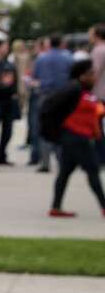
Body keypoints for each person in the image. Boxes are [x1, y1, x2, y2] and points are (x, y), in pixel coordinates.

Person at [48, 60, 105, 218]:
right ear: (82, 75)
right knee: (92, 171)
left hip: (74, 137)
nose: (94, 76)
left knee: (65, 172)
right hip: (76, 138)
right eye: (91, 74)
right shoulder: (74, 90)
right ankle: (103, 206)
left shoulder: (82, 91)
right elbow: (51, 107)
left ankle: (56, 207)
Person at [30, 34, 74, 172]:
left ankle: (45, 163)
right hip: (63, 97)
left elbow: (34, 77)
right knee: (63, 129)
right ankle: (63, 162)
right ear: (61, 43)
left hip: (45, 96)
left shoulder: (41, 58)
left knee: (44, 129)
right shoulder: (68, 58)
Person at [0, 39, 19, 166]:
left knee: (7, 131)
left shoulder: (8, 63)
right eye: (5, 46)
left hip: (8, 100)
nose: (7, 48)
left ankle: (1, 155)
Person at [89, 23, 105, 162]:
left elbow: (94, 73)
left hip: (100, 94)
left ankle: (100, 157)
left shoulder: (98, 50)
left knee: (97, 128)